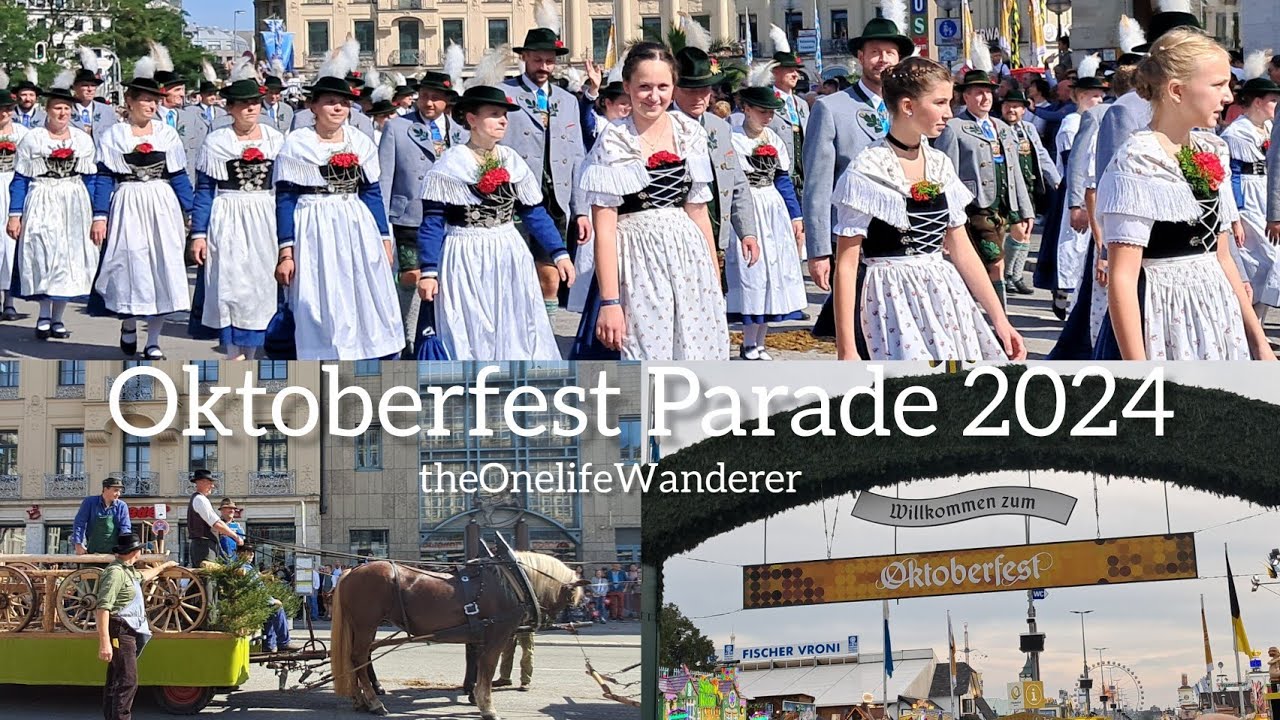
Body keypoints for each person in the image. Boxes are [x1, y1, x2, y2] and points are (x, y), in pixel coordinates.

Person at [1094, 28, 1273, 361]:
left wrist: (1258, 342)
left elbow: (1223, 257)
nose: (1229, 96)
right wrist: (1139, 370)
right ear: (1176, 90)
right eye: (1218, 85)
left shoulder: (1210, 149)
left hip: (1217, 314)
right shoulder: (1138, 160)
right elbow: (1123, 278)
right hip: (1165, 317)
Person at [832, 57, 1026, 362]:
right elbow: (845, 264)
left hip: (943, 294)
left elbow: (961, 249)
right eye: (940, 103)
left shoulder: (939, 164)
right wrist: (846, 348)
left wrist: (1000, 320)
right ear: (908, 106)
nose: (949, 113)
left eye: (950, 102)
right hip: (890, 297)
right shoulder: (867, 170)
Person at [575, 42, 727, 360]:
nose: (653, 96)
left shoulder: (689, 132)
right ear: (627, 87)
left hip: (688, 259)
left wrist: (715, 284)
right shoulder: (614, 139)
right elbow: (605, 229)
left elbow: (698, 213)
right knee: (645, 357)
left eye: (662, 86)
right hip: (636, 262)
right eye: (644, 87)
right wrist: (610, 302)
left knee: (697, 354)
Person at [415, 80, 574, 360]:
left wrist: (559, 252)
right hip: (464, 251)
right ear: (472, 119)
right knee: (470, 321)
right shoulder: (451, 164)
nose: (502, 121)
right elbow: (433, 221)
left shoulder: (511, 160)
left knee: (515, 319)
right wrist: (429, 270)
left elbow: (534, 211)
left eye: (504, 116)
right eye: (494, 114)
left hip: (507, 247)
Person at [273, 40, 403, 361]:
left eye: (343, 104)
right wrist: (286, 249)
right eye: (330, 102)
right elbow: (286, 198)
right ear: (313, 107)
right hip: (313, 221)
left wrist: (383, 237)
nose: (337, 109)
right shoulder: (297, 144)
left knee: (360, 289)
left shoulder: (360, 141)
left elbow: (371, 191)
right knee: (319, 292)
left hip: (353, 220)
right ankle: (323, 355)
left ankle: (362, 356)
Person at [803, 4, 912, 344]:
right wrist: (819, 250)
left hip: (902, 240)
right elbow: (817, 185)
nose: (883, 60)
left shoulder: (910, 109)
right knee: (857, 329)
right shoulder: (831, 108)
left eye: (890, 53)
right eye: (875, 52)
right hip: (853, 240)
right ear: (861, 57)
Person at [91, 48, 194, 361]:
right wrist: (99, 216)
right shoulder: (115, 135)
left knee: (163, 265)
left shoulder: (166, 134)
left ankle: (153, 339)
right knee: (130, 265)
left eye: (155, 101)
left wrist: (191, 213)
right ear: (130, 103)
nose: (151, 106)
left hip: (161, 202)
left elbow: (178, 176)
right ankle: (128, 322)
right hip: (128, 201)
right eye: (145, 100)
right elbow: (105, 178)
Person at [190, 61, 285, 359]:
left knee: (262, 283)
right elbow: (205, 190)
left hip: (264, 213)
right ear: (229, 108)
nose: (250, 110)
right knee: (230, 282)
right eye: (243, 105)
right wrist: (198, 234)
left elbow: (284, 190)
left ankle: (257, 351)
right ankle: (233, 352)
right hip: (228, 212)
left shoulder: (275, 139)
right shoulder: (217, 141)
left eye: (255, 104)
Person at [502, 0, 589, 314]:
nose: (544, 67)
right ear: (524, 58)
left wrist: (581, 211)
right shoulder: (505, 94)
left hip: (555, 198)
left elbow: (578, 157)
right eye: (537, 60)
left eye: (550, 61)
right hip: (513, 196)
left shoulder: (567, 100)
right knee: (512, 273)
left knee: (550, 274)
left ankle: (547, 337)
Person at [935, 53, 1036, 308]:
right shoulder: (955, 128)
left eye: (988, 92)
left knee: (980, 264)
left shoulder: (1002, 127)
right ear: (965, 96)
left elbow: (1015, 171)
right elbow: (947, 173)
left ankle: (968, 308)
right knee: (995, 263)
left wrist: (1025, 210)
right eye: (978, 93)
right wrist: (948, 215)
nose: (985, 98)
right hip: (975, 207)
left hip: (1004, 204)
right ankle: (999, 316)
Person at [379, 69, 465, 357]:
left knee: (446, 280)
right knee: (412, 278)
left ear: (447, 101)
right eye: (425, 96)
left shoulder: (461, 133)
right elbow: (384, 179)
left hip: (452, 219)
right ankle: (406, 339)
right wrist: (382, 227)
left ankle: (440, 336)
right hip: (409, 216)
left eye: (436, 98)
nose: (429, 103)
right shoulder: (397, 128)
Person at [726, 77, 807, 360]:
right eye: (763, 111)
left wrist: (796, 215)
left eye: (771, 112)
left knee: (774, 271)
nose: (768, 116)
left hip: (772, 206)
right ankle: (748, 341)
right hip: (749, 206)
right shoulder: (733, 138)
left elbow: (783, 179)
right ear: (746, 109)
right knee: (754, 272)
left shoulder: (773, 138)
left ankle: (761, 341)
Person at [1034, 57, 1108, 319]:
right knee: (1072, 242)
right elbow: (1072, 163)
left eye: (1101, 96)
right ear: (1079, 97)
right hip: (1075, 189)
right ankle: (1065, 294)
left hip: (1096, 189)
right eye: (1093, 96)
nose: (1098, 101)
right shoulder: (1072, 124)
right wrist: (1077, 202)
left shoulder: (1099, 122)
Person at [95, 533, 177, 720]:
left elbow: (144, 576)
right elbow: (103, 607)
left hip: (127, 629)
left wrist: (164, 566)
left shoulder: (127, 570)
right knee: (127, 680)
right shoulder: (115, 573)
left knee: (117, 679)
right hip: (120, 629)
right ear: (135, 552)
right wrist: (104, 642)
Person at [1223, 65, 1280, 324]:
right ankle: (1248, 324)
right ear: (1258, 102)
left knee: (1271, 264)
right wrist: (1235, 215)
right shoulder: (1236, 132)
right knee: (1260, 262)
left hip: (1264, 189)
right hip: (1247, 195)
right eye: (1272, 100)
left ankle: (1256, 325)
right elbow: (1230, 175)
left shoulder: (1267, 128)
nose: (1275, 105)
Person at [1000, 89, 1061, 295]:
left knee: (1026, 232)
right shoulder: (998, 128)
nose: (1011, 110)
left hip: (1029, 186)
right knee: (1017, 230)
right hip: (1009, 188)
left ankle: (1016, 276)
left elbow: (1041, 155)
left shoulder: (1028, 129)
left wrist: (1055, 180)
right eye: (1008, 105)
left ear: (1024, 110)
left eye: (1016, 106)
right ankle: (1006, 275)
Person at [0, 72, 32, 324]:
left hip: (13, 185)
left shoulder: (22, 133)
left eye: (7, 109)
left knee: (11, 245)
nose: (4, 114)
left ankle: (9, 300)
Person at [234, 544, 300, 653]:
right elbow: (256, 590)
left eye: (252, 553)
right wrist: (272, 600)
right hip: (251, 602)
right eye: (248, 552)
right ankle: (283, 643)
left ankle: (269, 645)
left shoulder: (249, 568)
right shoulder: (243, 569)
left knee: (270, 610)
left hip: (255, 600)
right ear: (240, 553)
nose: (252, 555)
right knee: (276, 608)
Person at [767, 26, 809, 192]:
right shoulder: (768, 101)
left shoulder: (802, 104)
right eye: (790, 70)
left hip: (804, 176)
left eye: (796, 71)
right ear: (775, 72)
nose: (795, 75)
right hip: (778, 175)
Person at [187, 469, 243, 566]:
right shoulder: (200, 499)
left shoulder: (199, 499)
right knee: (207, 578)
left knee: (205, 578)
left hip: (205, 544)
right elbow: (216, 522)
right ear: (200, 482)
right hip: (204, 545)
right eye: (210, 483)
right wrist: (235, 536)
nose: (212, 486)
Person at [70, 477, 131, 555]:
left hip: (114, 553)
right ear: (105, 489)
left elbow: (125, 528)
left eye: (120, 491)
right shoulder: (89, 502)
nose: (118, 494)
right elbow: (79, 524)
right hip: (92, 551)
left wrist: (124, 546)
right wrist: (78, 544)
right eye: (115, 490)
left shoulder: (122, 506)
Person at [69, 48, 117, 140]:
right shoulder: (67, 110)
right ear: (75, 87)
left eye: (93, 85)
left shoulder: (106, 111)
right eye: (85, 85)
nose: (90, 89)